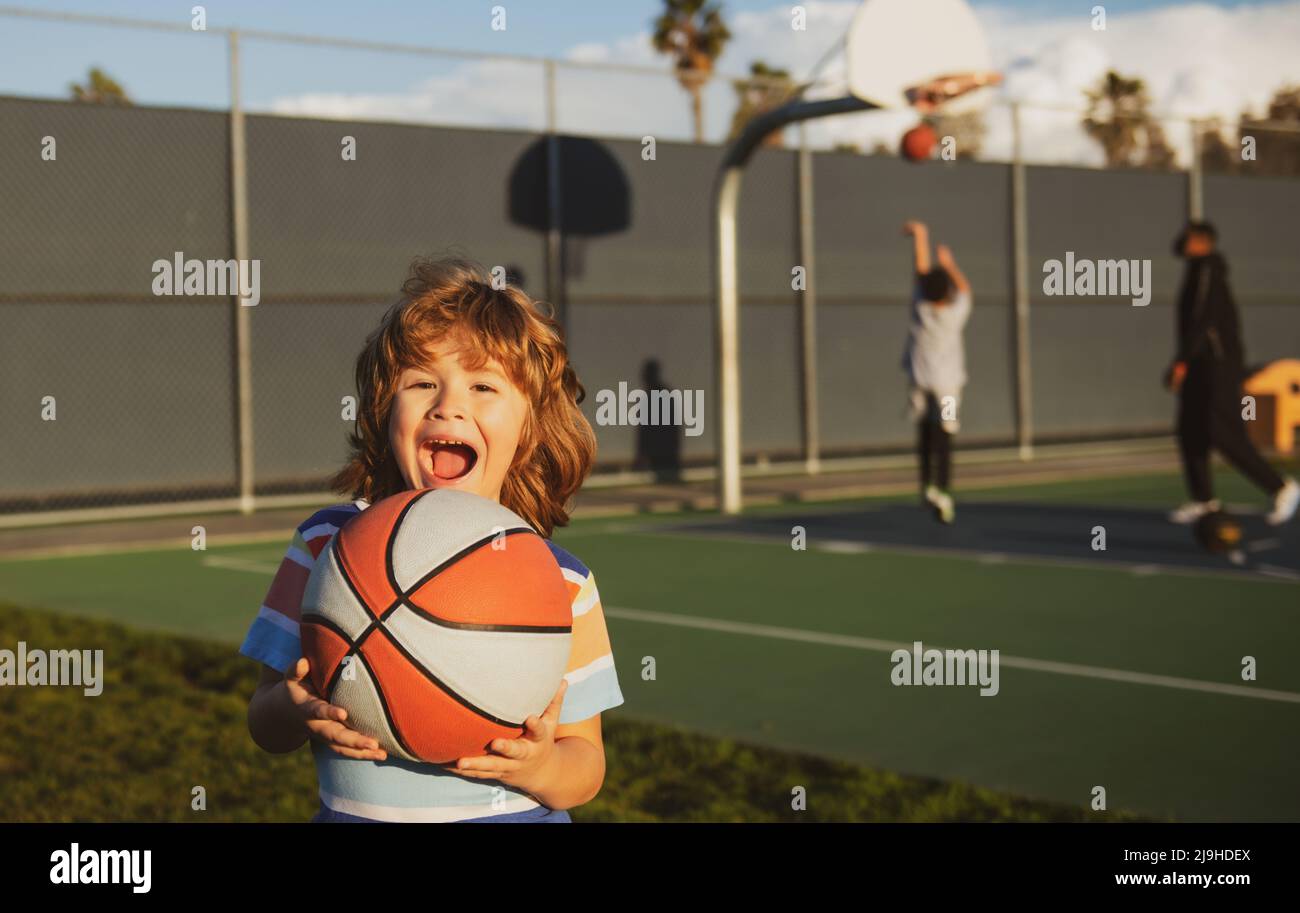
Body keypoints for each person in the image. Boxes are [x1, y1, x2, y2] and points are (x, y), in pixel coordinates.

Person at [240, 257, 624, 822]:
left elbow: (585, 764)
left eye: (483, 385)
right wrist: (292, 711)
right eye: (422, 382)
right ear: (384, 409)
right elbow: (264, 723)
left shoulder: (561, 583)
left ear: (530, 427)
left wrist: (540, 768)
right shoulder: (327, 545)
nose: (449, 405)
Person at [1165, 221, 1299, 526]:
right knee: (1190, 430)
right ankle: (1203, 501)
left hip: (1217, 366)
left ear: (1202, 241)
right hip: (1200, 366)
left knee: (1221, 431)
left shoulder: (1209, 268)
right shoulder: (1195, 269)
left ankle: (1280, 487)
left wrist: (1181, 361)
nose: (1180, 243)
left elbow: (1203, 320)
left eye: (1187, 239)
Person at [901, 221, 971, 524]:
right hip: (948, 387)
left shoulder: (920, 308)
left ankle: (926, 484)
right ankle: (943, 489)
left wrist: (921, 236)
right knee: (946, 432)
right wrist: (950, 264)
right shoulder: (954, 314)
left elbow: (920, 270)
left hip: (920, 381)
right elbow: (965, 289)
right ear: (947, 293)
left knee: (924, 430)